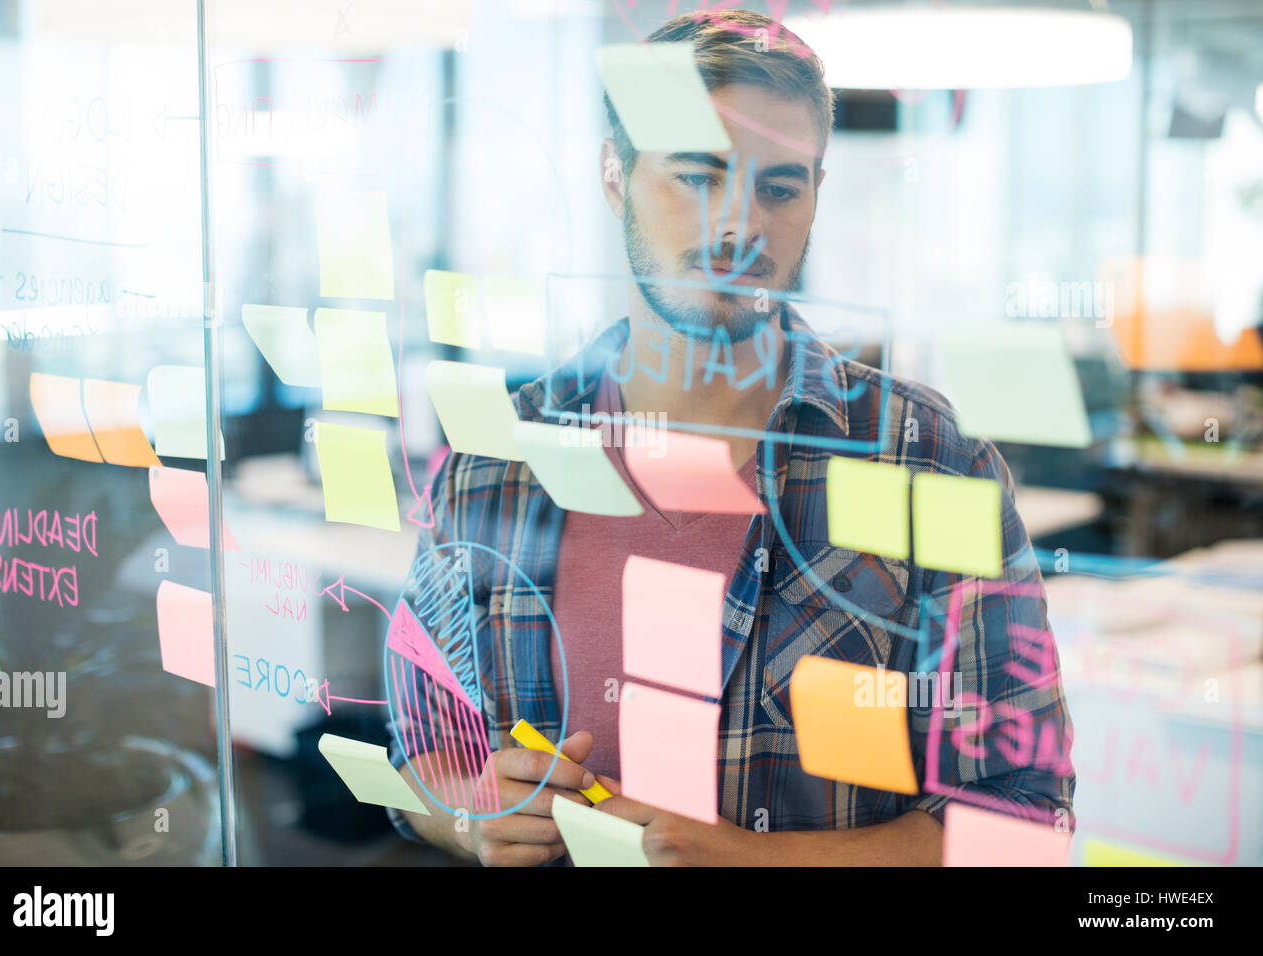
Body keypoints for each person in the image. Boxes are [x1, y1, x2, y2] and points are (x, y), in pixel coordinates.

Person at [386, 9, 1075, 866]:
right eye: (698, 175)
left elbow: (1021, 817)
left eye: (780, 188)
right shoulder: (495, 458)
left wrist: (752, 862)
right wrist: (463, 814)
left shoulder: (928, 460)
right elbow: (419, 747)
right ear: (615, 173)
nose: (739, 226)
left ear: (817, 192)